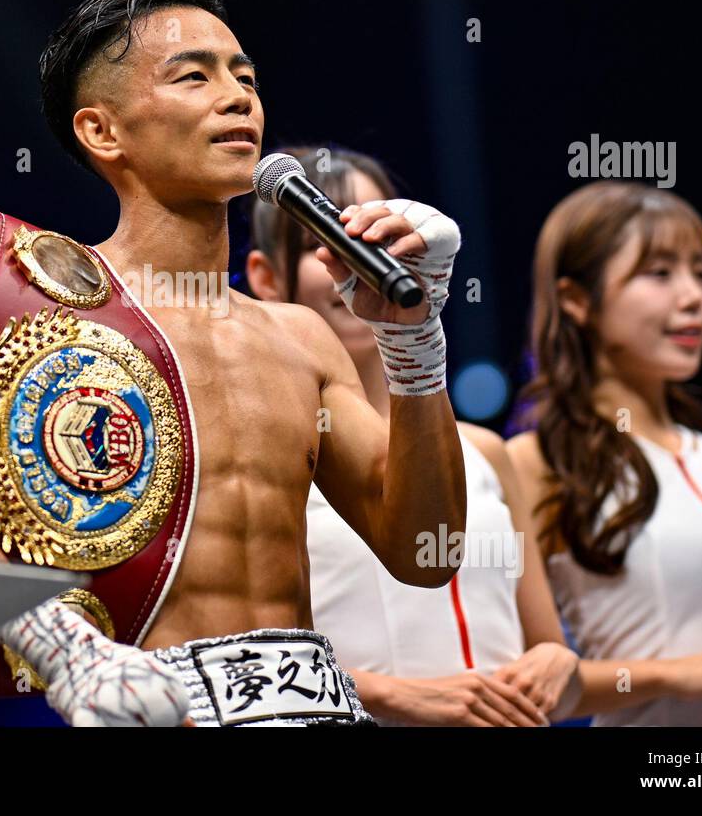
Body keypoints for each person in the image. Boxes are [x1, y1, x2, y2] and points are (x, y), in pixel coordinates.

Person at [0, 0, 469, 726]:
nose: (237, 96)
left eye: (245, 77)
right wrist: (59, 646)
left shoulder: (301, 340)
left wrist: (414, 344)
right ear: (103, 132)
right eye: (193, 76)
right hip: (148, 709)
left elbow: (426, 554)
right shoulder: (45, 302)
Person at [247, 147, 582, 726]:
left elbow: (550, 649)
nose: (354, 256)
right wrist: (400, 695)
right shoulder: (264, 454)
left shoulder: (486, 452)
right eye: (324, 235)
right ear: (267, 278)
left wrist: (558, 663)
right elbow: (237, 659)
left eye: (374, 229)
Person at [505, 180, 702, 725]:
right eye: (659, 273)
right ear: (576, 300)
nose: (693, 296)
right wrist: (684, 672)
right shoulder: (530, 463)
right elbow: (530, 684)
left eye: (701, 273)